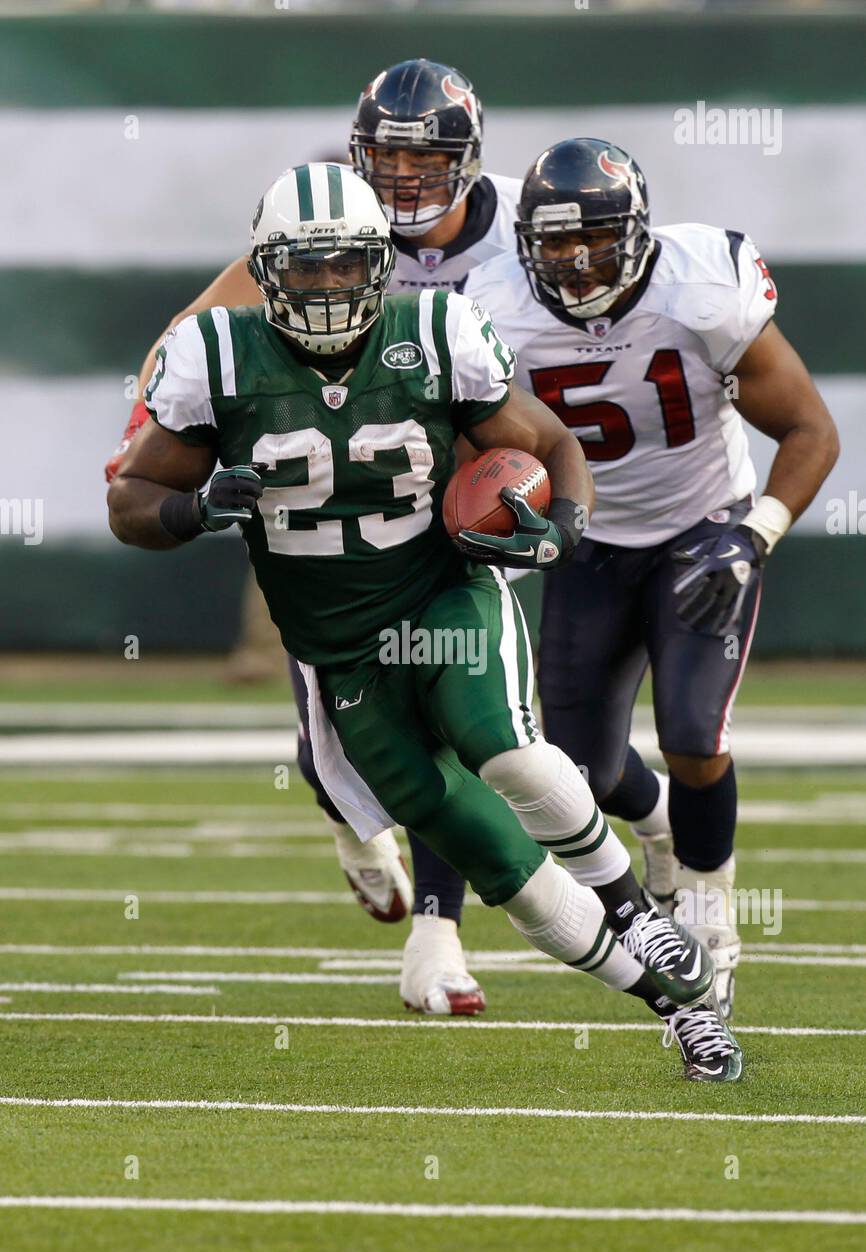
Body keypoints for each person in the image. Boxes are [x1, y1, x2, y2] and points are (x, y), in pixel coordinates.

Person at [107, 162, 737, 1081]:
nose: (326, 286)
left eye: (343, 265)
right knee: (499, 861)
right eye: (305, 266)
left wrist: (557, 525)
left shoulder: (436, 330)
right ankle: (677, 1007)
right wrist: (192, 509)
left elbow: (551, 444)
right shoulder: (219, 356)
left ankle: (637, 907)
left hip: (445, 601)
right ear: (267, 270)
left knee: (511, 752)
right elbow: (132, 497)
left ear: (379, 264)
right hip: (338, 655)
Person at [103, 59, 523, 1014]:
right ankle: (345, 812)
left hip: (446, 501)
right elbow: (190, 329)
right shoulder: (325, 230)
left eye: (429, 157)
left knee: (454, 724)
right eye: (387, 156)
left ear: (469, 160)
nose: (406, 177)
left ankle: (439, 937)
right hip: (319, 509)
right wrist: (139, 444)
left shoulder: (515, 246)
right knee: (332, 731)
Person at [459, 137, 839, 1057]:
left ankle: (710, 915)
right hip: (586, 539)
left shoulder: (702, 283)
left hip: (703, 525)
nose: (577, 262)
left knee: (693, 730)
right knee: (574, 776)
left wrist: (754, 537)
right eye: (555, 245)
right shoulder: (493, 305)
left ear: (637, 233)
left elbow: (809, 429)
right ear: (524, 245)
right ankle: (661, 817)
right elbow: (469, 435)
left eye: (594, 239)